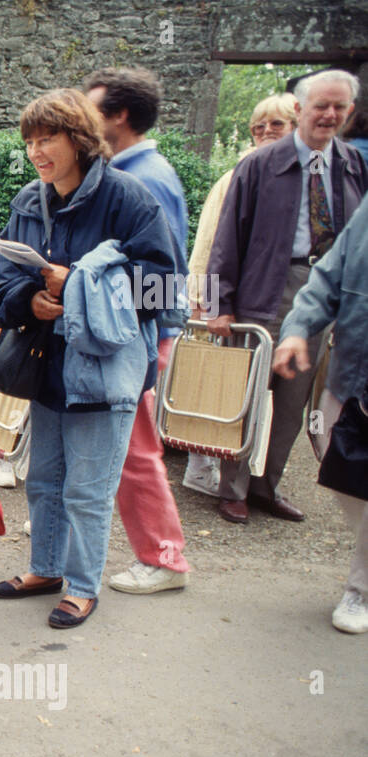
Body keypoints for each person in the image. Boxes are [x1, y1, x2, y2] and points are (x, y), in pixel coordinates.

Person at [0, 89, 178, 628]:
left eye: (46, 138)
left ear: (78, 138)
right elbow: (4, 286)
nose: (36, 151)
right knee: (44, 479)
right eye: (28, 141)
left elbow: (163, 290)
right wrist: (33, 301)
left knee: (88, 488)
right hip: (47, 362)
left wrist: (78, 288)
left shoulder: (129, 198)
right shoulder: (29, 198)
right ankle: (45, 568)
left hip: (104, 369)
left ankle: (82, 586)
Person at [207, 69, 366, 524]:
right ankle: (231, 488)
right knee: (250, 394)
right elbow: (227, 238)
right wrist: (220, 304)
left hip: (325, 296)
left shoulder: (354, 165)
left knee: (295, 402)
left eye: (339, 107)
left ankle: (265, 487)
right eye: (321, 106)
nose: (329, 115)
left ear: (349, 112)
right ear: (300, 109)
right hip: (265, 289)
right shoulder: (260, 164)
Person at [84, 67, 192, 595]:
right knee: (126, 445)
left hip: (136, 336)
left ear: (120, 116)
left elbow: (166, 276)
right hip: (134, 331)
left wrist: (150, 336)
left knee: (134, 449)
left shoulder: (144, 178)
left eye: (92, 111)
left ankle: (164, 557)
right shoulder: (139, 170)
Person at [182, 93, 298, 496]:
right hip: (239, 302)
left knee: (276, 398)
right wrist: (205, 299)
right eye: (258, 126)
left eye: (276, 125)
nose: (265, 132)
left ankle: (262, 483)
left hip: (283, 301)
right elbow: (210, 242)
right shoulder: (237, 175)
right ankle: (208, 472)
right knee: (224, 385)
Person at [273, 199, 368, 633]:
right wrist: (296, 330)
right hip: (353, 375)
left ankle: (360, 588)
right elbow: (329, 275)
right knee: (343, 474)